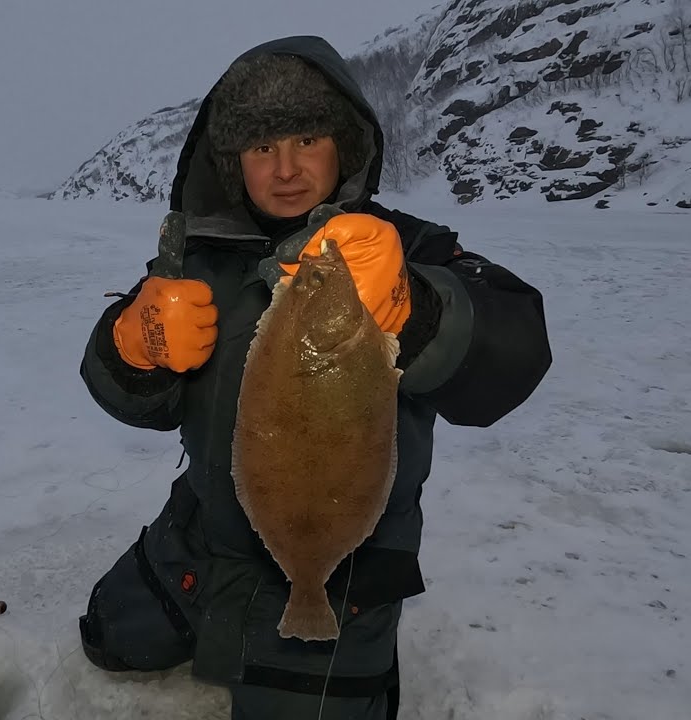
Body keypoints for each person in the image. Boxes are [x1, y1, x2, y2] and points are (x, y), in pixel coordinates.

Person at [77, 35, 552, 720]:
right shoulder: (197, 256)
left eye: (307, 138)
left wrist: (418, 311)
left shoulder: (407, 247)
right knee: (105, 642)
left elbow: (515, 354)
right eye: (262, 147)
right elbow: (131, 400)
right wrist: (129, 347)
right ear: (233, 159)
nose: (288, 168)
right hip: (201, 537)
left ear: (345, 147)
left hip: (345, 568)